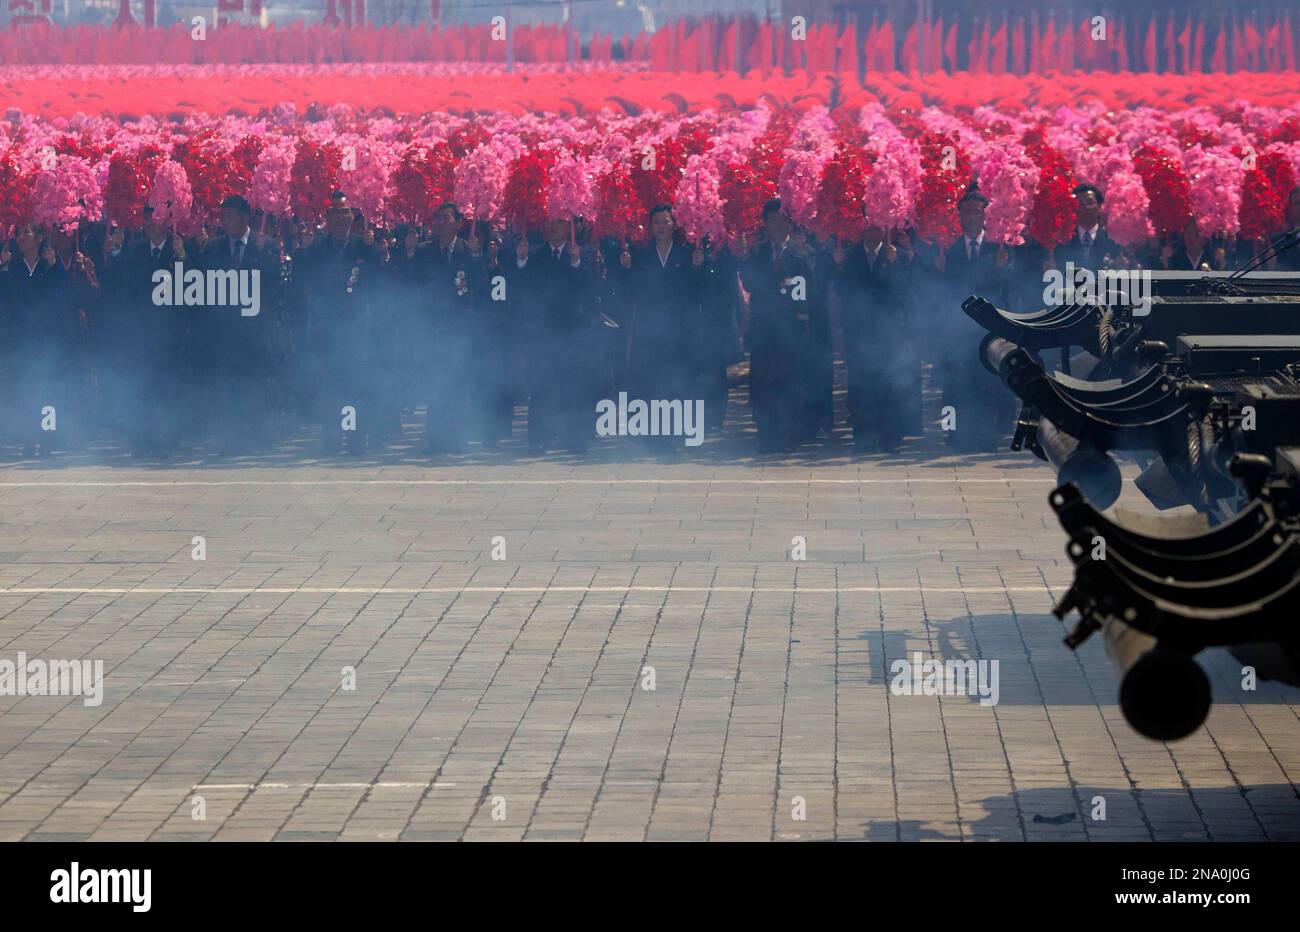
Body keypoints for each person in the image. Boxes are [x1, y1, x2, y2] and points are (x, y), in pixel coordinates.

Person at [613, 205, 707, 450]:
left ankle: (678, 433)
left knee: (679, 380)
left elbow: (698, 291)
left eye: (665, 222)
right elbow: (630, 290)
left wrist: (700, 266)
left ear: (674, 224)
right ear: (650, 226)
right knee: (652, 381)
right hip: (650, 328)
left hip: (679, 327)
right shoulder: (641, 255)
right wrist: (625, 268)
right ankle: (653, 435)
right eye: (656, 223)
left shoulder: (687, 252)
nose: (661, 227)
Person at [100, 207, 188, 454]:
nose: (149, 223)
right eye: (146, 218)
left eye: (155, 218)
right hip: (141, 330)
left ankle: (169, 437)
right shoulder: (134, 249)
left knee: (168, 388)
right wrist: (112, 254)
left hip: (170, 330)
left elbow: (190, 286)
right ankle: (143, 438)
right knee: (142, 387)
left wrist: (182, 257)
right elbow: (119, 284)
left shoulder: (178, 247)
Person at [295, 191, 376, 454]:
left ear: (352, 216)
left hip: (356, 329)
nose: (341, 217)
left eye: (346, 212)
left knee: (355, 386)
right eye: (336, 212)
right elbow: (299, 278)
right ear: (327, 217)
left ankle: (354, 438)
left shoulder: (362, 245)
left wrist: (375, 248)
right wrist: (302, 250)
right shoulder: (316, 248)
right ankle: (330, 439)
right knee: (330, 387)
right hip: (326, 328)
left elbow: (383, 279)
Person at [938, 188, 1017, 452]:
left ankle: (986, 435)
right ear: (959, 215)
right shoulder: (948, 250)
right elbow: (941, 289)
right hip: (957, 327)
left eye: (976, 210)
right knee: (956, 382)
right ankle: (953, 434)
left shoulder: (999, 248)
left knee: (986, 382)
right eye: (966, 210)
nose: (971, 215)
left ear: (985, 215)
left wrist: (1003, 268)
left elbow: (1009, 288)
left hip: (988, 327)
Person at [737, 199, 815, 454]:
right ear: (766, 224)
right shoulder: (756, 252)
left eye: (783, 221)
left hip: (792, 329)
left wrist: (791, 277)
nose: (778, 226)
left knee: (792, 381)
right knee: (763, 382)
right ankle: (766, 430)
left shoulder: (802, 251)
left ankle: (792, 430)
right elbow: (748, 284)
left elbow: (808, 286)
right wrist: (743, 257)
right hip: (763, 329)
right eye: (773, 221)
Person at [508, 217, 592, 455]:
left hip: (573, 329)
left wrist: (576, 263)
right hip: (542, 330)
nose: (552, 226)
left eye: (559, 222)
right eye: (549, 222)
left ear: (570, 226)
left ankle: (574, 437)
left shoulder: (581, 253)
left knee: (573, 387)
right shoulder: (532, 253)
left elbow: (590, 289)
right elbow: (518, 288)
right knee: (542, 386)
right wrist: (521, 261)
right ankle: (539, 439)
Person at [832, 224, 912, 453]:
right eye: (868, 226)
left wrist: (895, 264)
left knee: (890, 384)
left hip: (889, 332)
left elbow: (904, 291)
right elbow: (841, 289)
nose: (873, 231)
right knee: (860, 386)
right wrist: (837, 266)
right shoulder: (849, 255)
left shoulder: (900, 256)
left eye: (878, 227)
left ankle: (891, 437)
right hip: (859, 331)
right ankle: (863, 437)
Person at [0, 225, 65, 456]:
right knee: (24, 391)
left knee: (48, 390)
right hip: (20, 338)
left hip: (47, 337)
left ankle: (47, 440)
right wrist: (3, 268)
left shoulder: (48, 265)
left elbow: (64, 293)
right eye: (18, 234)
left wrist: (56, 266)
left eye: (25, 233)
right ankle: (28, 438)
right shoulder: (12, 266)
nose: (20, 238)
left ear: (38, 238)